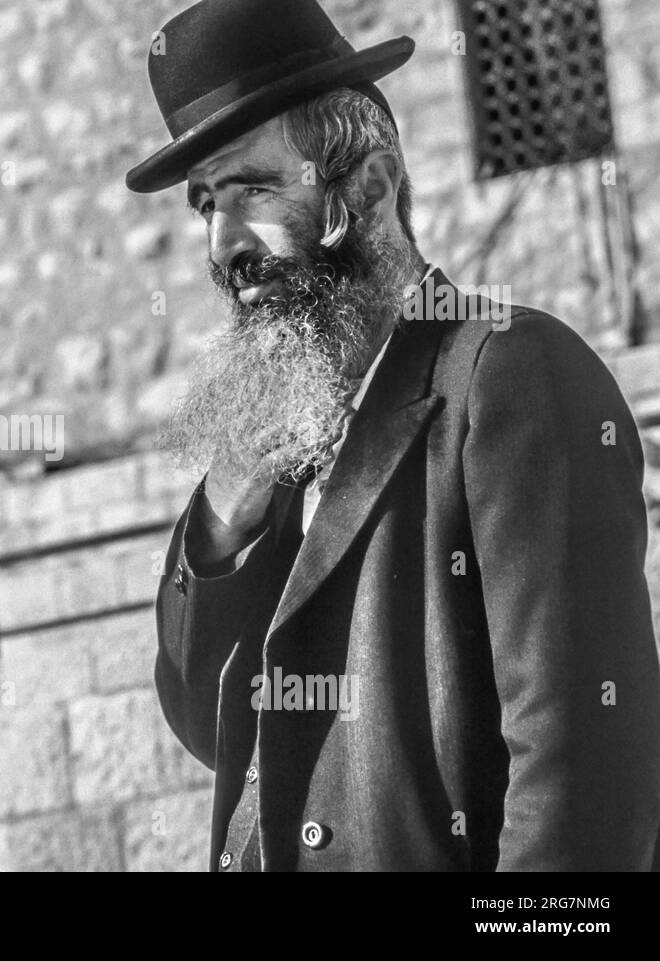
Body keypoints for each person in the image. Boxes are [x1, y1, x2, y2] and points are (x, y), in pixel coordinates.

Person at [129, 0, 660, 870]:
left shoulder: (511, 374)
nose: (224, 245)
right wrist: (223, 522)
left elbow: (583, 785)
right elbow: (205, 727)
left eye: (255, 188)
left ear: (368, 187)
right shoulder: (285, 430)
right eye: (206, 205)